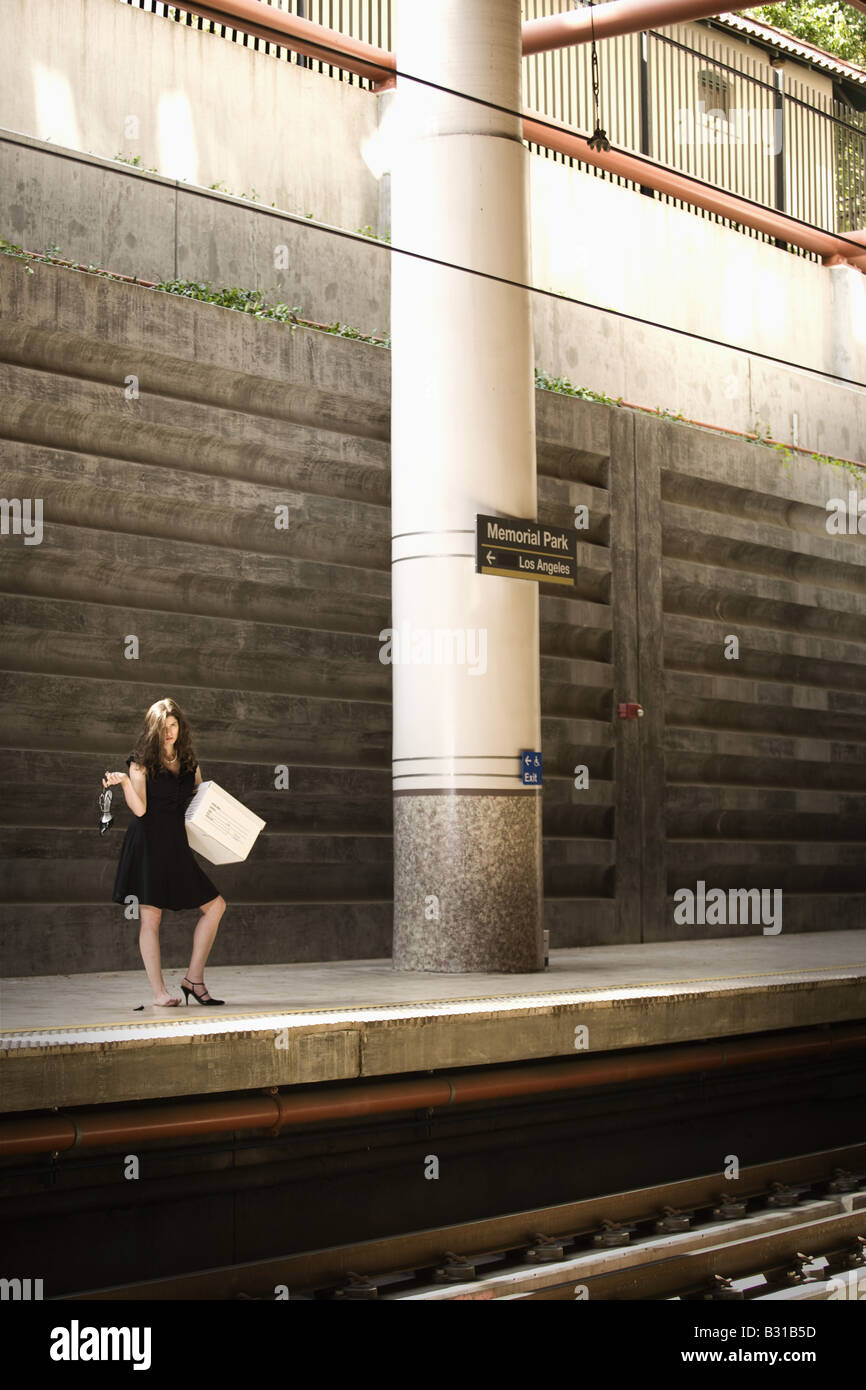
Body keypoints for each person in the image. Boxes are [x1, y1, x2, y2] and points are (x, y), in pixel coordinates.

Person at [103, 697, 227, 1007]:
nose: (169, 731)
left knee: (216, 907)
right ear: (153, 730)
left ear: (179, 727)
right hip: (147, 844)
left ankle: (193, 979)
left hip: (176, 844)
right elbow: (141, 810)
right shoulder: (139, 760)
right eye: (163, 727)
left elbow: (201, 800)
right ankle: (159, 993)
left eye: (173, 725)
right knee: (151, 920)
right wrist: (124, 784)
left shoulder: (189, 763)